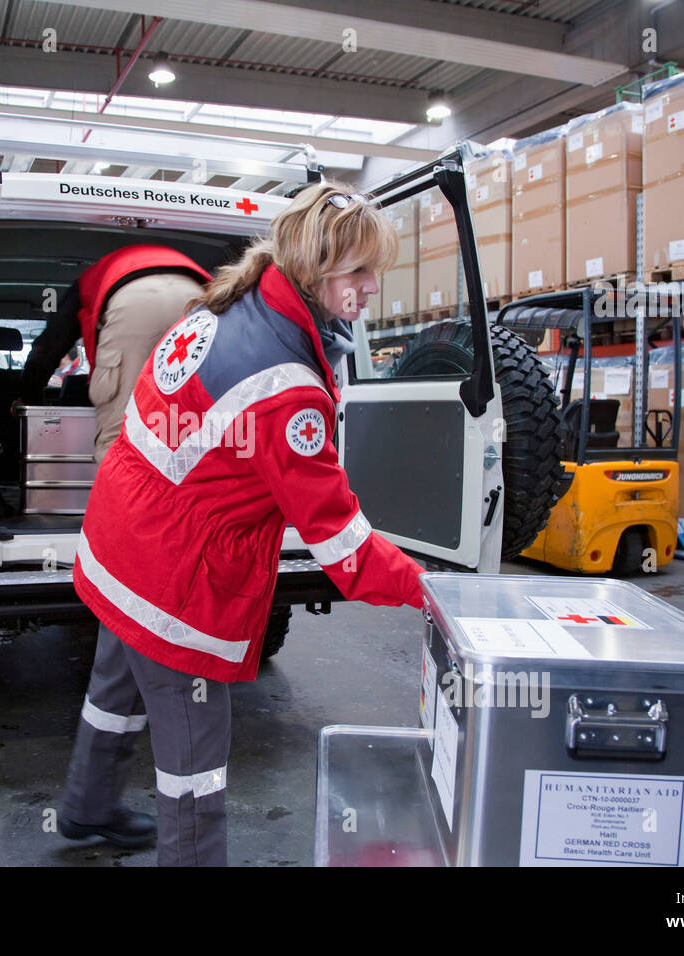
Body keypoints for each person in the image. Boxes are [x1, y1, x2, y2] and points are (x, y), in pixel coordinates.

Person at [57, 182, 428, 866]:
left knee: (115, 684)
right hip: (171, 576)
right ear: (316, 273)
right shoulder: (286, 387)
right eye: (360, 272)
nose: (372, 287)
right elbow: (342, 545)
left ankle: (86, 807)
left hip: (120, 537)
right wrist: (427, 589)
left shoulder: (235, 304)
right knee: (195, 759)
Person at [19, 244, 212, 463]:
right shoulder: (166, 259)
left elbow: (50, 346)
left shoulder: (89, 281)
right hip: (202, 298)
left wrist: (29, 395)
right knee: (193, 428)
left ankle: (123, 493)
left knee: (120, 440)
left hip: (135, 300)